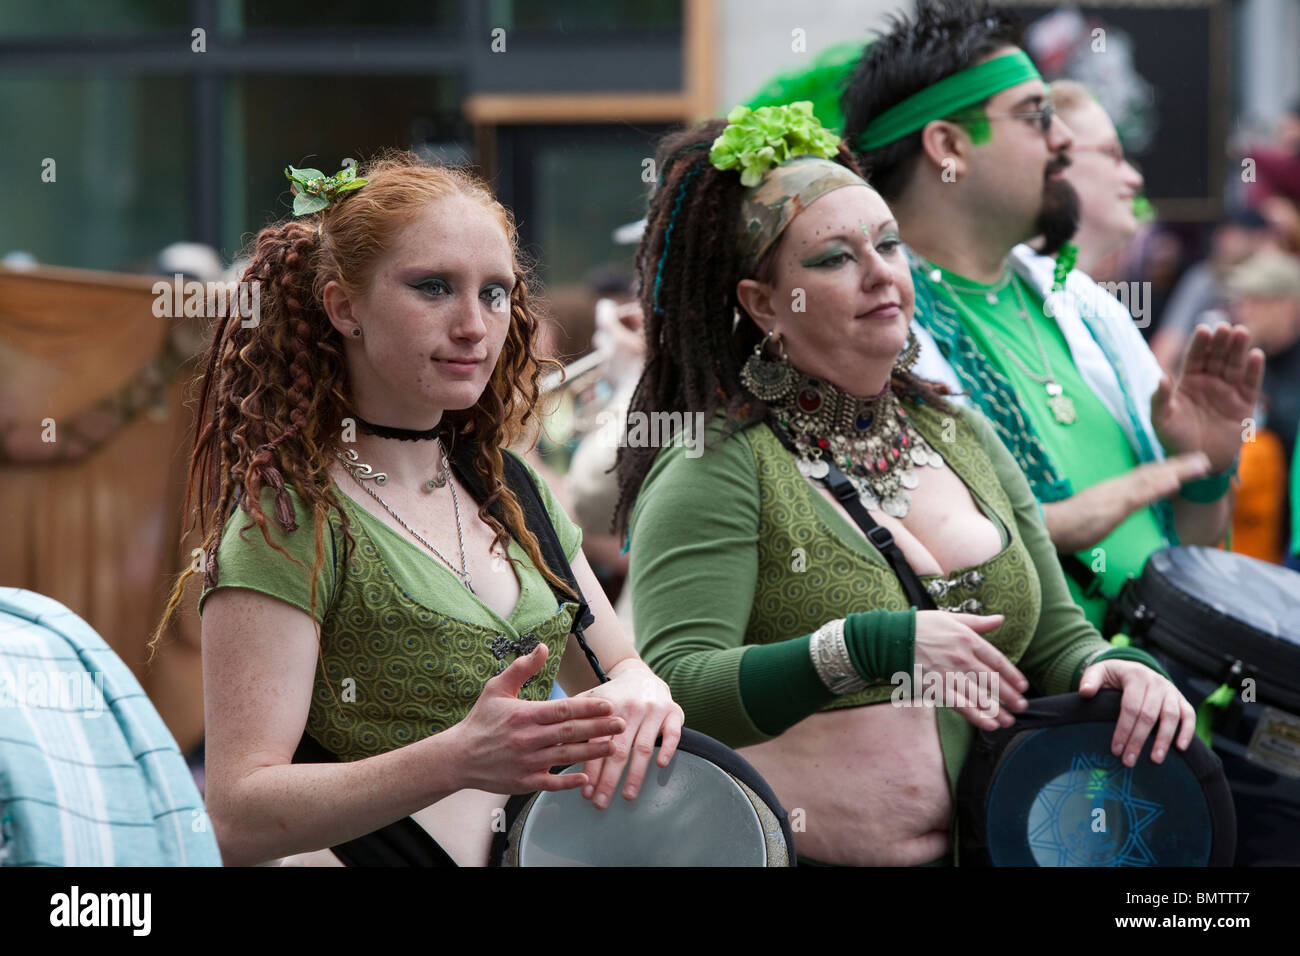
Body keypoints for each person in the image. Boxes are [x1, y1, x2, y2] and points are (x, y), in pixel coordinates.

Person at [615, 104, 1194, 866]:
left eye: (888, 243)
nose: (882, 271)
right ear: (763, 305)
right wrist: (859, 647)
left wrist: (1115, 668)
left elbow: (1056, 636)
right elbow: (676, 688)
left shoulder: (961, 434)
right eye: (834, 258)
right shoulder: (718, 464)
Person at [151, 151, 683, 867]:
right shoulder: (289, 520)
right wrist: (456, 757)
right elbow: (237, 816)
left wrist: (643, 688)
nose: (474, 324)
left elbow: (616, 670)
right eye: (434, 288)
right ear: (344, 307)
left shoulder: (512, 489)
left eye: (495, 293)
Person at [839, 0, 1264, 632]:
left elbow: (1194, 549)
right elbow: (889, 564)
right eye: (1036, 117)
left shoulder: (1085, 306)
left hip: (1165, 697)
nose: (1062, 138)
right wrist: (1062, 522)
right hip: (1027, 717)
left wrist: (1205, 467)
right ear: (949, 145)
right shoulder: (869, 325)